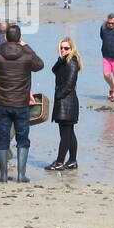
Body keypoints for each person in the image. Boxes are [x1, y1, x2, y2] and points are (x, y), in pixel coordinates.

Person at [0, 25, 43, 183]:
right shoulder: (27, 55)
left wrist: (0, 47)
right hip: (21, 104)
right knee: (23, 139)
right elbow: (40, 64)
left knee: (3, 139)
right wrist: (26, 45)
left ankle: (3, 175)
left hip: (2, 103)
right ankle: (21, 175)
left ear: (5, 37)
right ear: (19, 38)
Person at [46, 37, 82, 170]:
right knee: (70, 133)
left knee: (65, 134)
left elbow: (70, 84)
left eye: (66, 48)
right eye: (61, 48)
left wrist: (59, 97)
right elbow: (53, 70)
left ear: (72, 49)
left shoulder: (72, 62)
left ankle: (60, 162)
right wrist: (61, 58)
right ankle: (72, 161)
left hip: (67, 102)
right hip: (65, 101)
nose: (63, 50)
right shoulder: (64, 61)